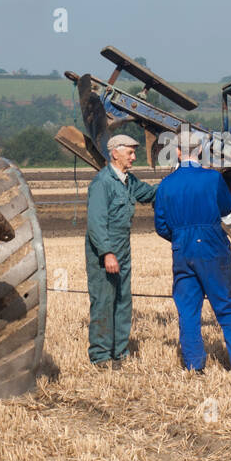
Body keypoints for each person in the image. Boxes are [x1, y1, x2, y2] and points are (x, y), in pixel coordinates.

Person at [154, 132, 231, 374]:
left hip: (181, 248)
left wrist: (181, 237)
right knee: (226, 302)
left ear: (178, 152)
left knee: (188, 308)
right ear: (200, 150)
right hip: (211, 244)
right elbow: (227, 211)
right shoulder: (212, 179)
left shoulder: (166, 185)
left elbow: (160, 226)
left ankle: (194, 365)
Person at [85, 134, 156, 369]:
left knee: (123, 301)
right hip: (105, 253)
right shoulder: (102, 183)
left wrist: (179, 179)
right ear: (115, 153)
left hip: (123, 251)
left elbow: (151, 194)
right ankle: (101, 356)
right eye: (130, 153)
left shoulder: (129, 181)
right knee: (104, 301)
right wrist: (107, 253)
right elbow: (96, 222)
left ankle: (120, 353)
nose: (134, 157)